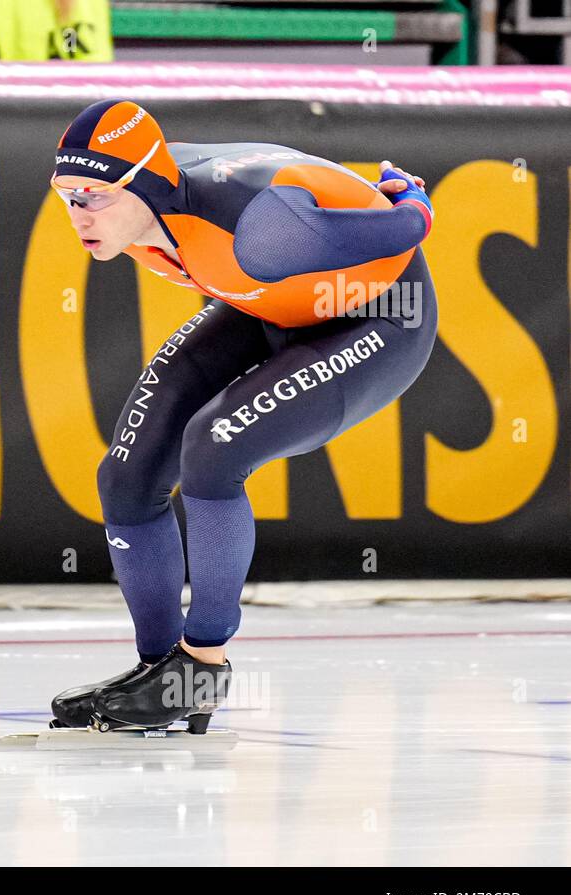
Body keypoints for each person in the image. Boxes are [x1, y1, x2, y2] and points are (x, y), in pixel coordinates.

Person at [46, 99, 436, 734]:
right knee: (127, 471)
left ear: (140, 184)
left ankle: (202, 667)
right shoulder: (149, 202)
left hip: (380, 316)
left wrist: (406, 194)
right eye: (65, 195)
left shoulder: (263, 233)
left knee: (213, 446)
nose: (76, 215)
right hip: (274, 303)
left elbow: (408, 227)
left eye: (91, 197)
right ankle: (162, 672)